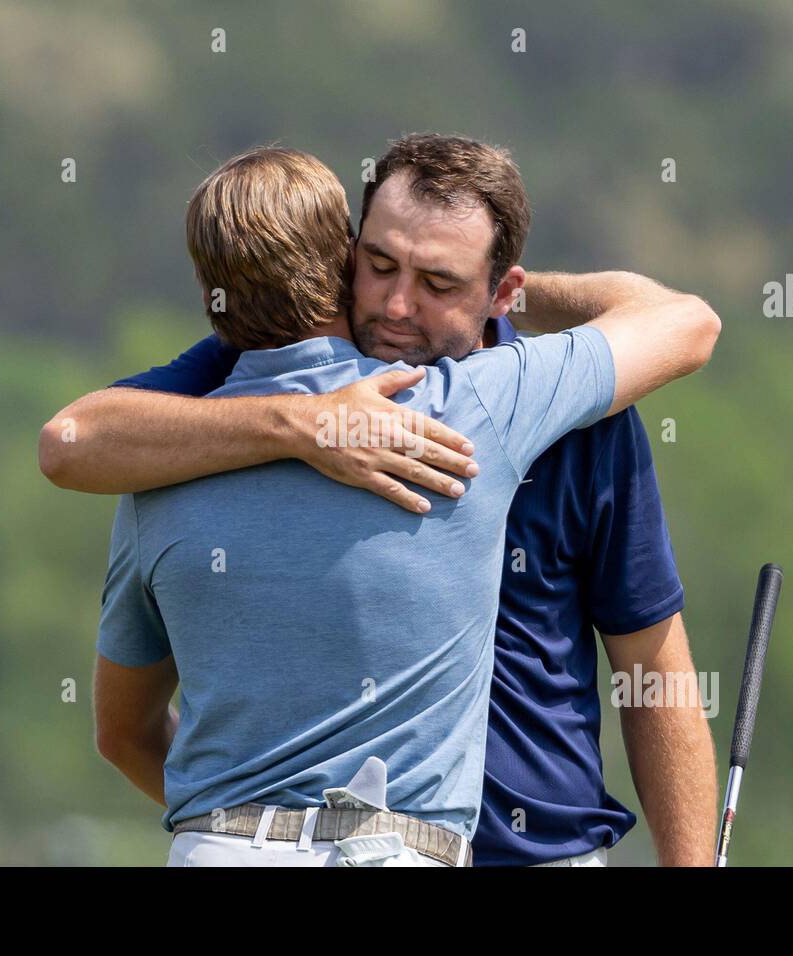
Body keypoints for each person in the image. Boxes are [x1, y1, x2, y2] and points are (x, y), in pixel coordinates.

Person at [42, 135, 720, 866]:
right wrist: (303, 424)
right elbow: (69, 441)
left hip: (538, 850)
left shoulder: (567, 411)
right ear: (342, 259)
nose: (398, 305)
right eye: (380, 265)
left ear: (501, 291)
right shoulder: (231, 375)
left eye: (439, 283)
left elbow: (653, 666)